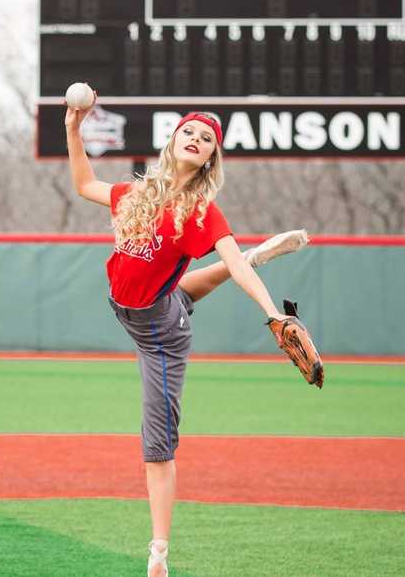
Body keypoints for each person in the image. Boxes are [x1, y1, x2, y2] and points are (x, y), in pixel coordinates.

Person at [64, 95, 310, 577]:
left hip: (161, 337)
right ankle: (258, 254)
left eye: (207, 139)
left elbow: (234, 266)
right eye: (189, 132)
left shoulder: (202, 214)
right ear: (173, 141)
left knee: (157, 444)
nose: (196, 139)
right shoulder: (138, 193)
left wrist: (273, 314)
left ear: (212, 158)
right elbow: (84, 183)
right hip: (149, 305)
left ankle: (158, 554)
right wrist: (74, 126)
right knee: (175, 295)